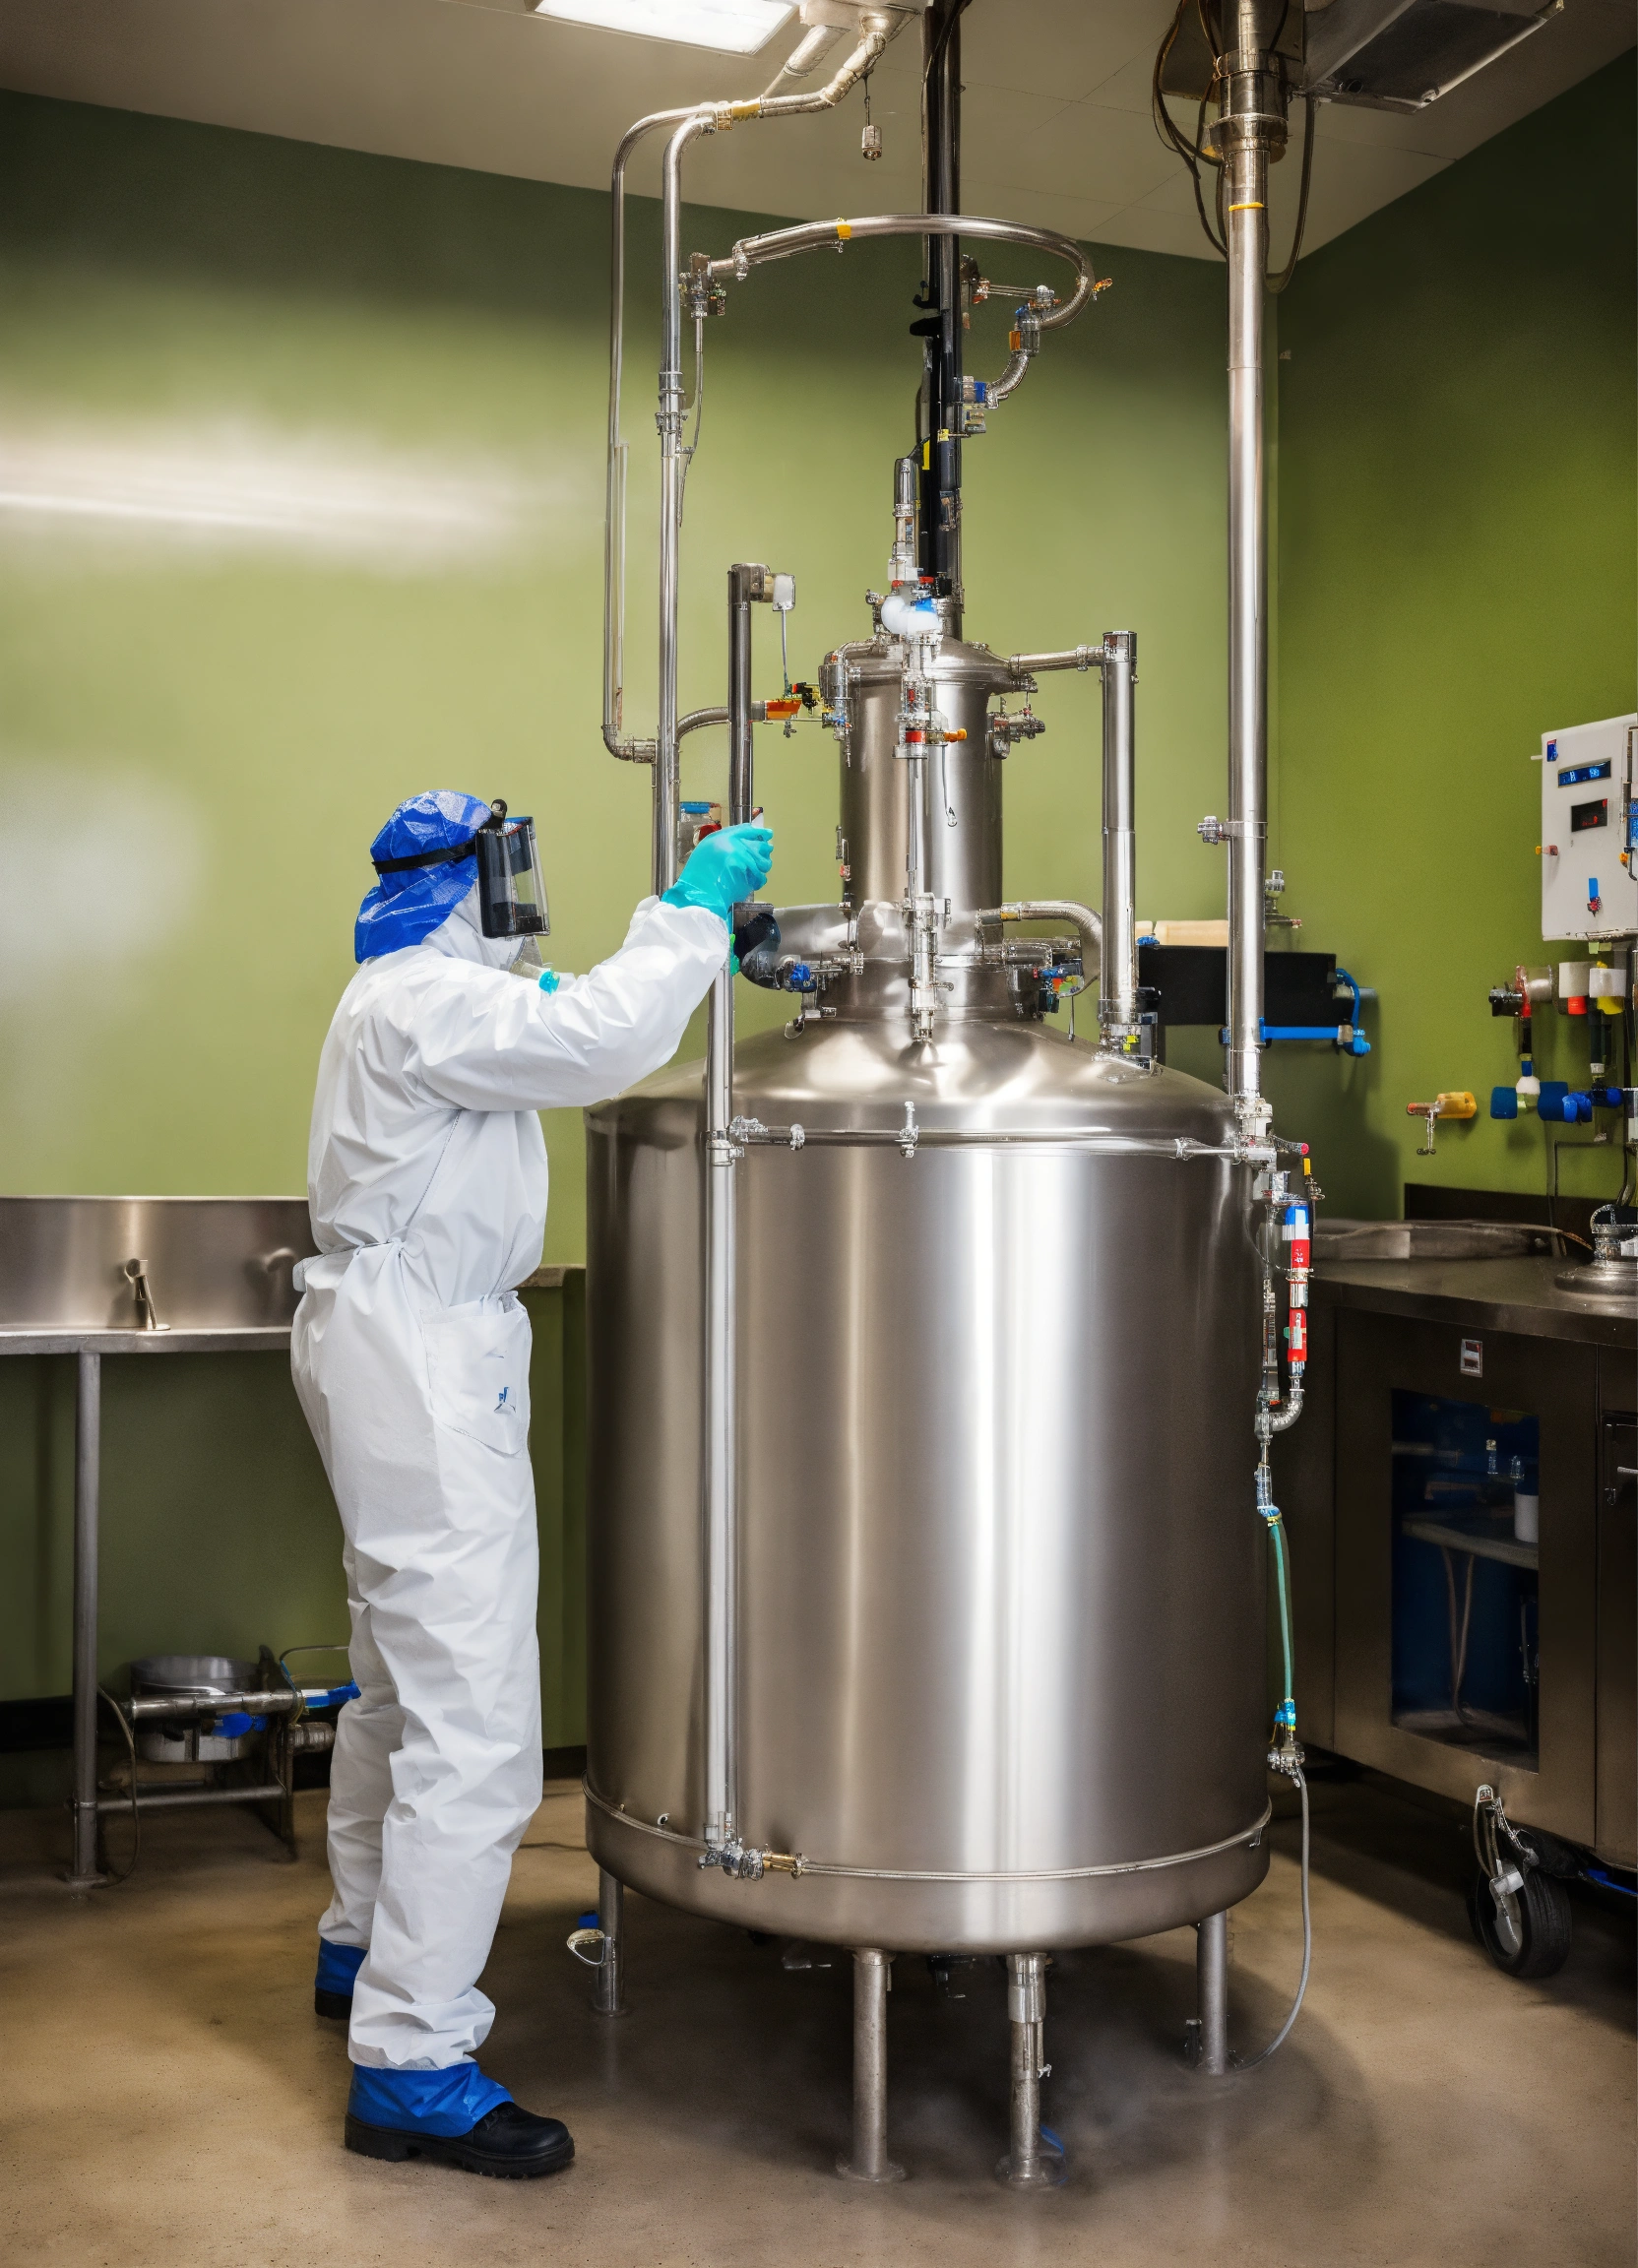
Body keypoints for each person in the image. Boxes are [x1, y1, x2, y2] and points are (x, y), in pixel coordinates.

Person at [290, 788, 772, 2178]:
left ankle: (361, 1944)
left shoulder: (407, 997)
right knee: (477, 1720)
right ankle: (414, 2057)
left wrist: (690, 949)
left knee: (397, 1676)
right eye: (511, 870)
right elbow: (595, 1039)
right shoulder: (425, 1004)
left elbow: (564, 1008)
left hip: (393, 1343)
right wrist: (685, 910)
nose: (527, 895)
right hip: (423, 1357)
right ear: (466, 883)